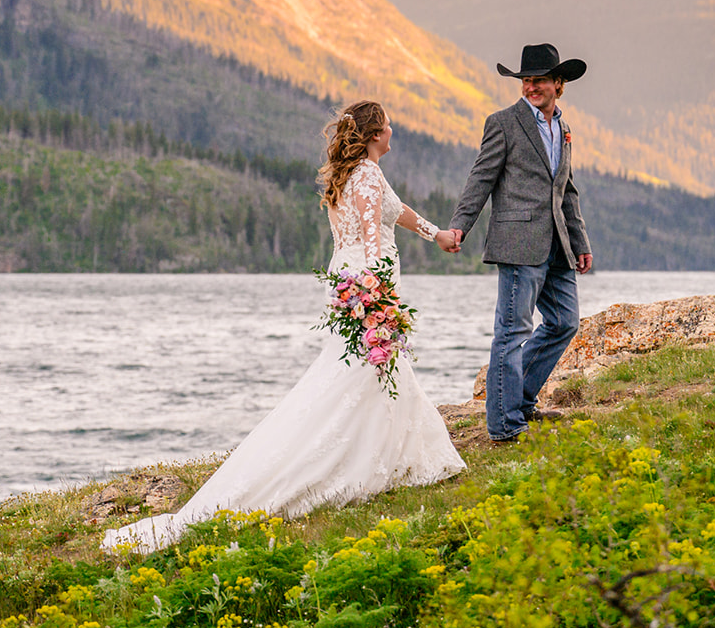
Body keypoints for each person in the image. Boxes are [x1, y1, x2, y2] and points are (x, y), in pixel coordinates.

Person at [104, 100, 464, 552]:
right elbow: (374, 239)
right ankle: (356, 463)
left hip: (345, 281)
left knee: (364, 373)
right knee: (363, 374)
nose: (393, 132)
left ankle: (387, 455)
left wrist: (437, 235)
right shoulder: (368, 175)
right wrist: (379, 299)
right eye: (389, 126)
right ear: (375, 135)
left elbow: (397, 210)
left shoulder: (354, 175)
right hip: (367, 284)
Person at [437, 43, 592, 444]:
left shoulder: (563, 127)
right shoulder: (503, 123)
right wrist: (460, 226)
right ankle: (504, 426)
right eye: (525, 81)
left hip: (557, 243)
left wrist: (580, 241)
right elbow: (481, 178)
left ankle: (519, 400)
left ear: (559, 84)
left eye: (538, 80)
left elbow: (567, 189)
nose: (530, 87)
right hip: (517, 243)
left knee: (564, 322)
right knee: (512, 331)